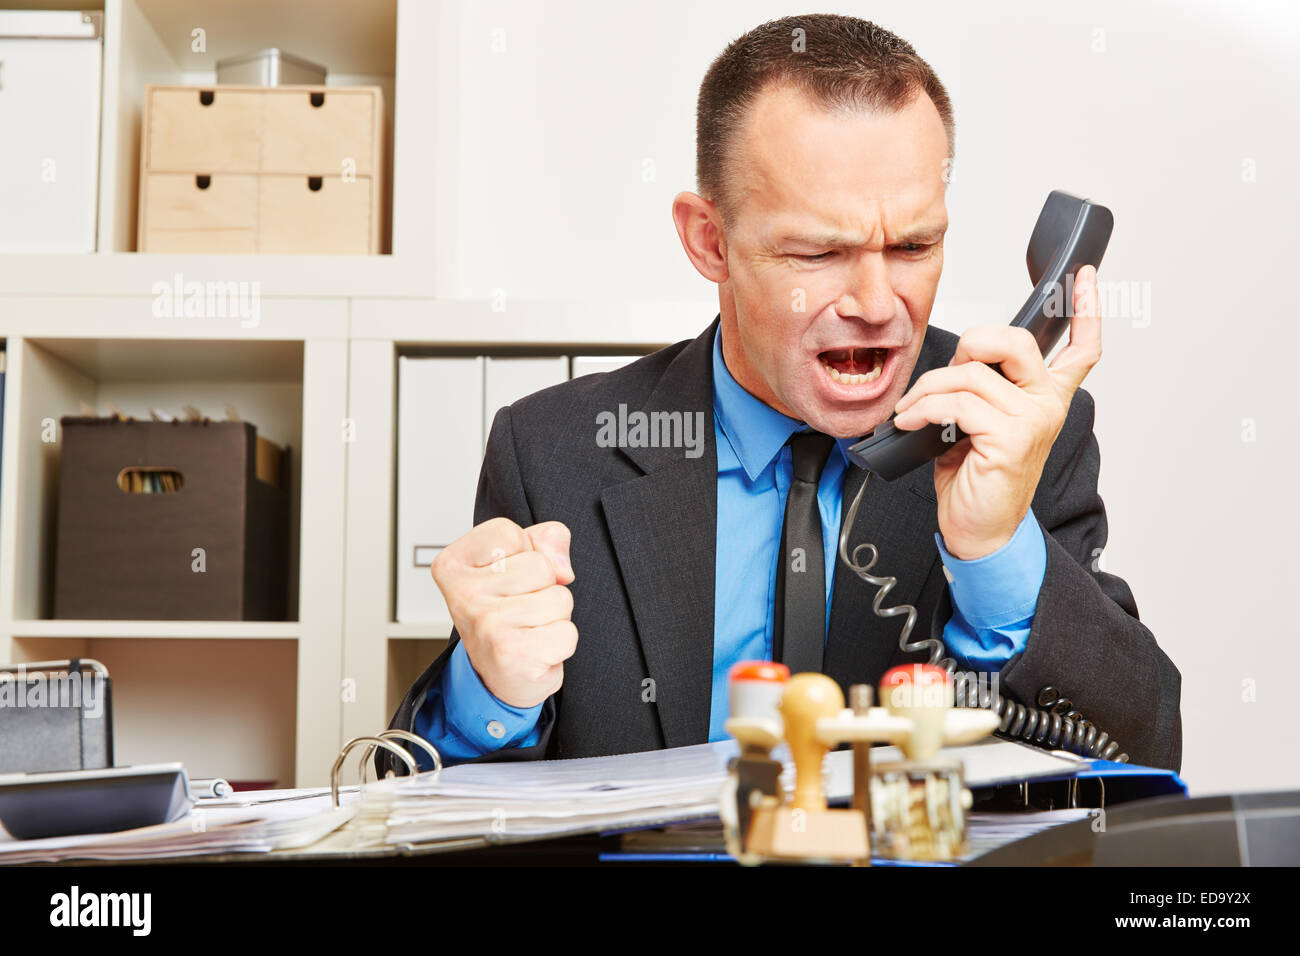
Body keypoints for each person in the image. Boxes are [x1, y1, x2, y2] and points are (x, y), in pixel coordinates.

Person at [380, 13, 1182, 775]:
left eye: (912, 245)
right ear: (710, 241)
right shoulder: (553, 449)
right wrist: (490, 694)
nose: (876, 303)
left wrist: (996, 551)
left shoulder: (1026, 430)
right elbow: (424, 809)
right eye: (817, 250)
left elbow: (1145, 752)